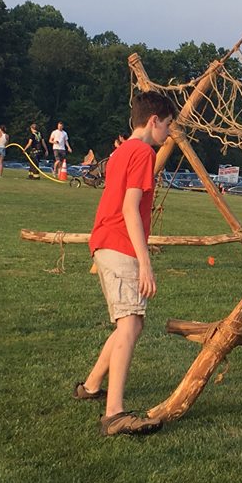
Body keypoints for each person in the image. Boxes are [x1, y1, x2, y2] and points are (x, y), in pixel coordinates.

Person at [73, 90, 177, 437]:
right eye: (168, 125)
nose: (169, 132)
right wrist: (145, 263)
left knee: (128, 324)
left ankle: (90, 385)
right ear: (153, 121)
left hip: (106, 243)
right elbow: (130, 208)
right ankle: (114, 414)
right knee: (130, 325)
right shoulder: (143, 153)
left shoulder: (120, 152)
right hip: (120, 245)